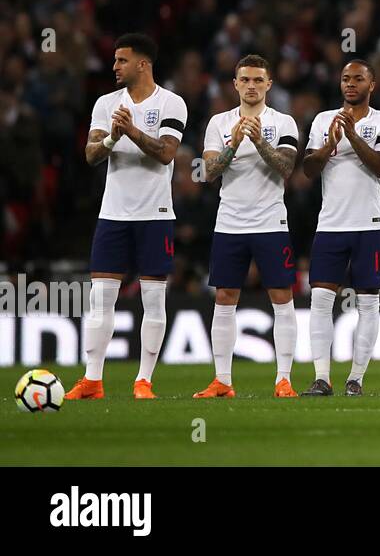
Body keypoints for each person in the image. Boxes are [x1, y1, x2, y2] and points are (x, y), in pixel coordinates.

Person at [66, 34, 188, 401]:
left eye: (122, 60)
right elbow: (90, 155)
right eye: (115, 60)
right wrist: (109, 139)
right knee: (101, 298)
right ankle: (92, 380)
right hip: (113, 214)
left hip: (155, 214)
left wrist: (131, 132)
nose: (115, 66)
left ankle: (144, 381)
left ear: (143, 64)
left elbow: (166, 153)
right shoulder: (106, 104)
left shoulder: (171, 102)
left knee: (153, 298)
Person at [194, 54, 301, 399]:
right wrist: (236, 142)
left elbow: (286, 168)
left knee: (282, 296)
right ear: (235, 84)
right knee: (225, 297)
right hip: (230, 221)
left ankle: (283, 379)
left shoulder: (283, 122)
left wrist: (257, 141)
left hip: (271, 220)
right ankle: (222, 381)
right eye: (246, 80)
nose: (252, 86)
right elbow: (208, 173)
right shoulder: (218, 124)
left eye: (258, 80)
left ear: (269, 84)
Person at [299, 60, 380, 397]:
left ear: (373, 84)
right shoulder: (323, 120)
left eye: (358, 79)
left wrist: (352, 137)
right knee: (321, 301)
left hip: (369, 224)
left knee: (368, 304)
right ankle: (322, 378)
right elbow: (308, 170)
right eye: (345, 79)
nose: (350, 84)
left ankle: (355, 378)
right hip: (330, 224)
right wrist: (329, 145)